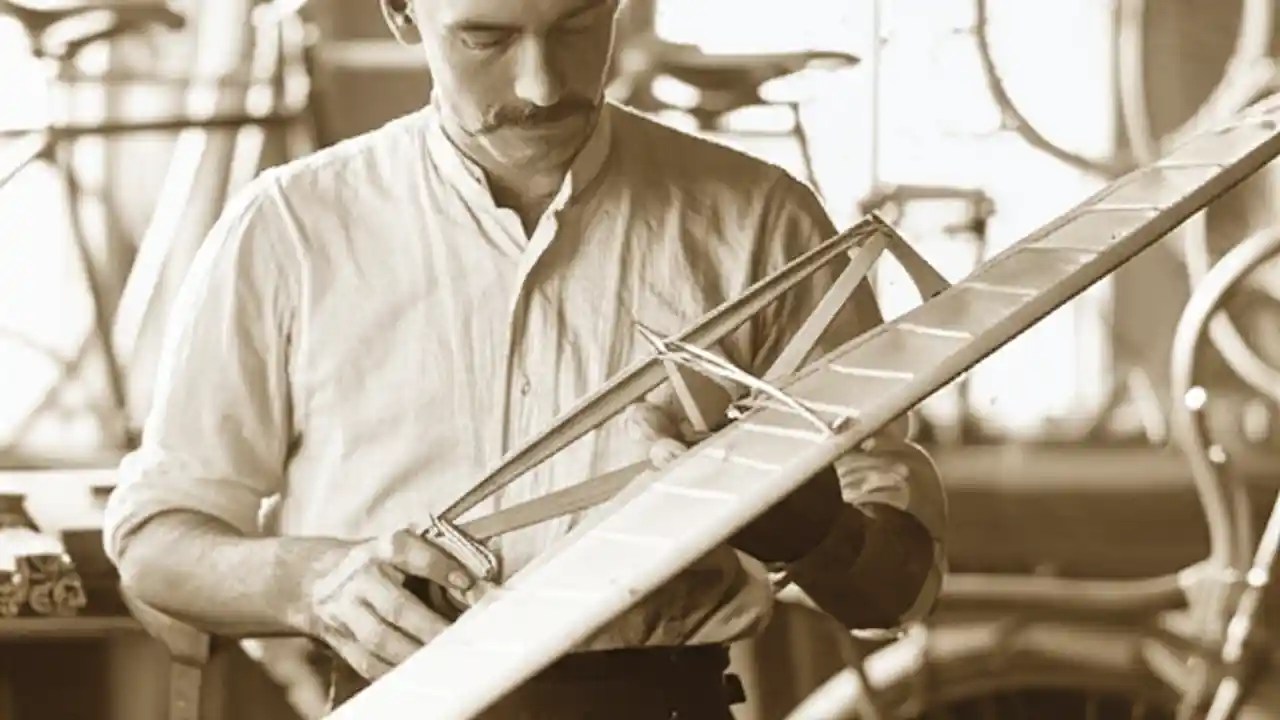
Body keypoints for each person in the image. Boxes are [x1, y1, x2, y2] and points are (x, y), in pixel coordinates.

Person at [103, 0, 948, 716]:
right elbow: (156, 541)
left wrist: (810, 528)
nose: (544, 87)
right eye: (487, 38)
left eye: (580, 21)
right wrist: (312, 582)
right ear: (401, 10)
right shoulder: (288, 227)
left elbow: (896, 593)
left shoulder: (760, 220)